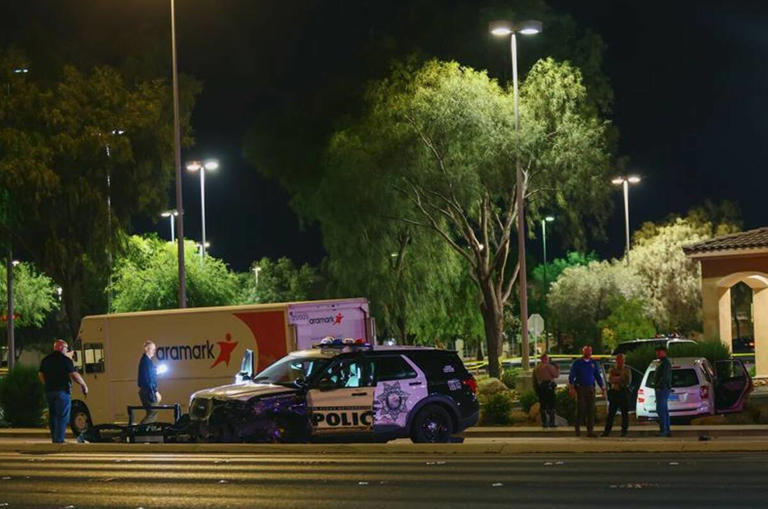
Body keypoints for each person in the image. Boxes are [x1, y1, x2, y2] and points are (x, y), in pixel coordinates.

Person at [38, 339, 89, 443]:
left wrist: (46, 384)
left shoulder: (46, 360)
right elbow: (73, 374)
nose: (67, 350)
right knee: (62, 416)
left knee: (53, 415)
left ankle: (55, 438)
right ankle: (59, 439)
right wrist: (83, 385)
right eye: (66, 348)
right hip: (62, 391)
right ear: (61, 348)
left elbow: (40, 374)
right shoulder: (65, 360)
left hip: (49, 392)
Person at [568, 345, 606, 437]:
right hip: (580, 388)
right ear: (583, 352)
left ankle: (590, 431)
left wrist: (602, 387)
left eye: (590, 351)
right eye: (587, 351)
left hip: (590, 388)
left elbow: (597, 375)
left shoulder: (593, 363)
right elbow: (572, 375)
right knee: (581, 408)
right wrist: (571, 387)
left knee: (591, 409)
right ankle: (577, 428)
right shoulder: (577, 363)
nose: (588, 353)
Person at [602, 353, 632, 437]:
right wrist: (620, 377)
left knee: (624, 413)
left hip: (623, 392)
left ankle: (624, 431)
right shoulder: (612, 369)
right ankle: (607, 431)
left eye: (621, 359)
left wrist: (617, 377)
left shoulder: (627, 369)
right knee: (611, 413)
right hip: (614, 392)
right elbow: (610, 379)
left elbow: (627, 381)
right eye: (618, 359)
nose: (620, 361)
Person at [137, 340, 161, 424]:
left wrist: (155, 371)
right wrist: (155, 391)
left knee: (152, 413)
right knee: (152, 413)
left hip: (146, 391)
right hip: (148, 391)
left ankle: (146, 429)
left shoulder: (146, 361)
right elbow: (149, 379)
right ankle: (141, 429)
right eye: (153, 349)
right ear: (147, 349)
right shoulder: (146, 362)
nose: (154, 351)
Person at [533, 354, 560, 428]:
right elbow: (556, 375)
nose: (548, 360)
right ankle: (552, 422)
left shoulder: (537, 368)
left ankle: (544, 422)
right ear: (545, 359)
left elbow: (536, 379)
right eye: (547, 358)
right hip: (549, 386)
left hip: (541, 387)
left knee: (543, 405)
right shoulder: (548, 366)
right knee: (551, 404)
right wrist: (557, 368)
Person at [653, 345, 672, 437]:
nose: (657, 353)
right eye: (657, 352)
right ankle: (666, 429)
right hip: (663, 388)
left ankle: (664, 430)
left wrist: (659, 386)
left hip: (662, 388)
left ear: (664, 352)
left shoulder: (665, 363)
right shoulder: (662, 362)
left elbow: (664, 377)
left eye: (659, 352)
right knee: (663, 409)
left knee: (661, 409)